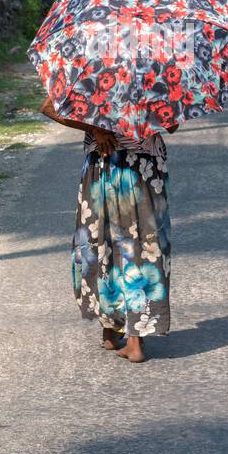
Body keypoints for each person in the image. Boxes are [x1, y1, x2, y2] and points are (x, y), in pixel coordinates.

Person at [39, 97, 175, 363]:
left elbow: (49, 107)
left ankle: (110, 331)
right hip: (145, 171)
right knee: (142, 248)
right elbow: (171, 125)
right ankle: (132, 338)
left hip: (103, 167)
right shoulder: (155, 70)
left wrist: (97, 130)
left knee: (102, 243)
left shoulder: (91, 66)